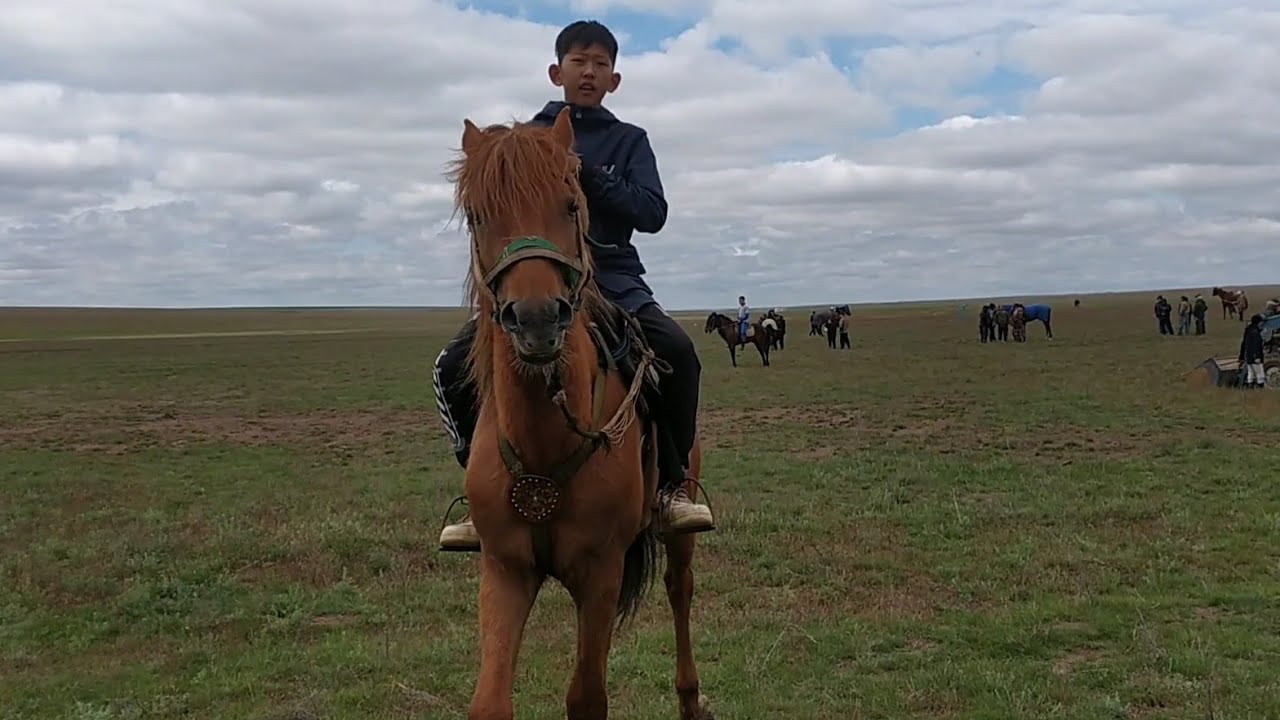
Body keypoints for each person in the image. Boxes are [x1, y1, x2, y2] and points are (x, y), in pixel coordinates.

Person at [433, 20, 714, 551]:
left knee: (678, 351)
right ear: (555, 71)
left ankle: (674, 486)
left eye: (601, 64)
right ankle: (477, 490)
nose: (589, 72)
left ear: (615, 79)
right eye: (579, 62)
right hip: (541, 278)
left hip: (614, 279)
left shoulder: (630, 141)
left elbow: (652, 212)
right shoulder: (524, 140)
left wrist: (585, 174)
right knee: (450, 367)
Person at [1238, 314, 1266, 389]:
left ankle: (1249, 388)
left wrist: (1241, 356)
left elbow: (1243, 344)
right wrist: (1257, 357)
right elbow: (1256, 346)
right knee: (1260, 374)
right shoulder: (1256, 333)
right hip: (1255, 357)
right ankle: (1260, 389)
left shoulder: (1248, 331)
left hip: (1248, 356)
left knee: (1251, 374)